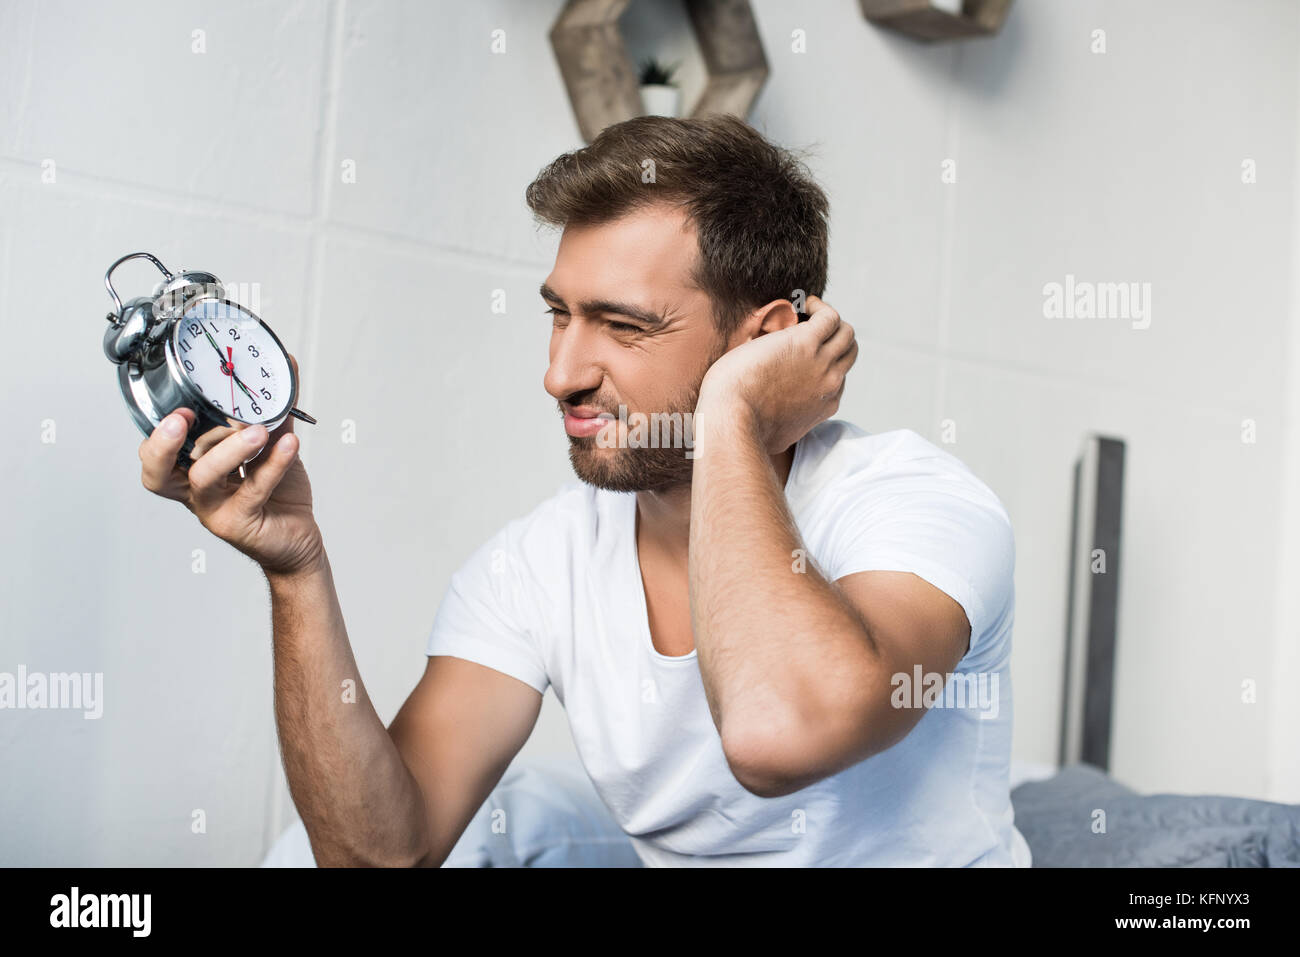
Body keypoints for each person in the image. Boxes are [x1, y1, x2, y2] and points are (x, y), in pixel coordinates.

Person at [139, 114, 1030, 867]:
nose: (560, 373)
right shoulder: (542, 560)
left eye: (623, 325)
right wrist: (296, 566)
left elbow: (775, 733)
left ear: (765, 342)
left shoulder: (914, 502)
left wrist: (730, 416)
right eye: (559, 313)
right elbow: (384, 852)